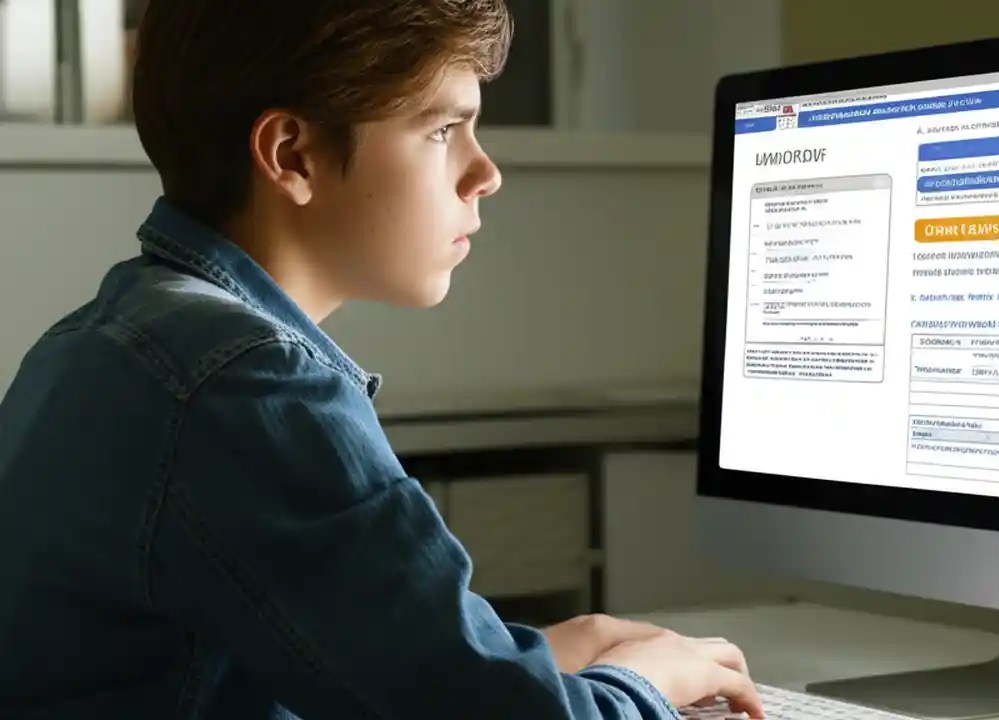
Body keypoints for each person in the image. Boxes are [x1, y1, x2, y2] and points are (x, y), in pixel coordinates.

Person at [0, 1, 764, 718]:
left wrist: (518, 657)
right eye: (442, 131)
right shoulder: (248, 384)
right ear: (291, 154)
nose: (484, 172)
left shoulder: (106, 339)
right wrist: (641, 685)